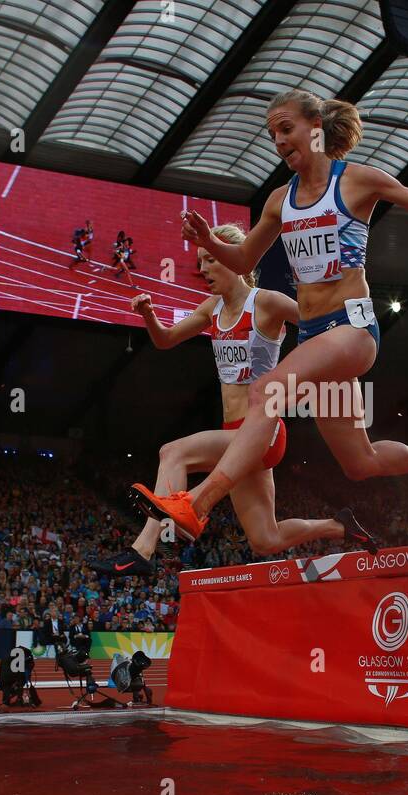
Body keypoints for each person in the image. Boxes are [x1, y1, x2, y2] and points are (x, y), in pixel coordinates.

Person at [132, 88, 408, 540]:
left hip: (352, 330)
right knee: (360, 462)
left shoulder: (355, 181)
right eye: (272, 134)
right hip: (314, 339)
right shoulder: (280, 200)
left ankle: (199, 502)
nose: (278, 142)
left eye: (286, 129)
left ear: (316, 129)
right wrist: (210, 242)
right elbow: (243, 260)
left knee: (267, 391)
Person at [108, 223, 376, 573]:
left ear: (233, 260)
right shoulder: (211, 309)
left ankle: (143, 549)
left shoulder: (268, 302)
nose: (202, 269)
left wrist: (340, 362)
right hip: (234, 436)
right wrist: (148, 314)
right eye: (200, 262)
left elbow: (321, 328)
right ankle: (339, 526)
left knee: (172, 452)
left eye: (210, 259)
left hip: (263, 432)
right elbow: (166, 340)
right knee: (264, 539)